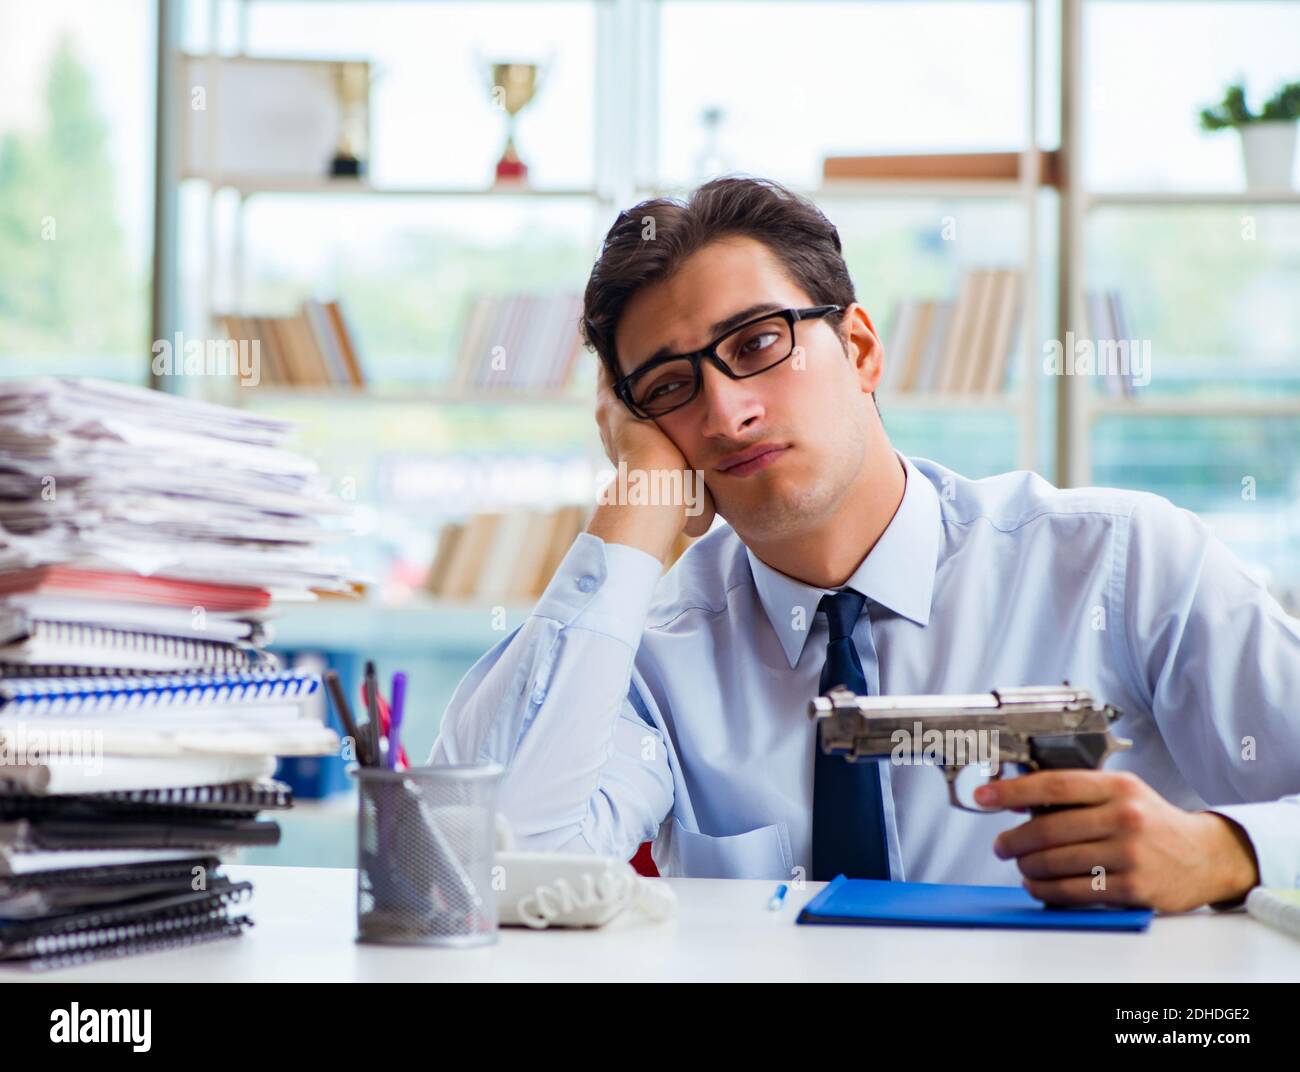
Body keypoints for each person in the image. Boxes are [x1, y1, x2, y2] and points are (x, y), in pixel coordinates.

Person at [432, 176, 1300, 911]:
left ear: (859, 347)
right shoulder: (649, 651)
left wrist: (1227, 850)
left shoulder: (1123, 563)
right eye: (670, 387)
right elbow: (501, 863)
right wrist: (639, 497)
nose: (728, 413)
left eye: (759, 342)